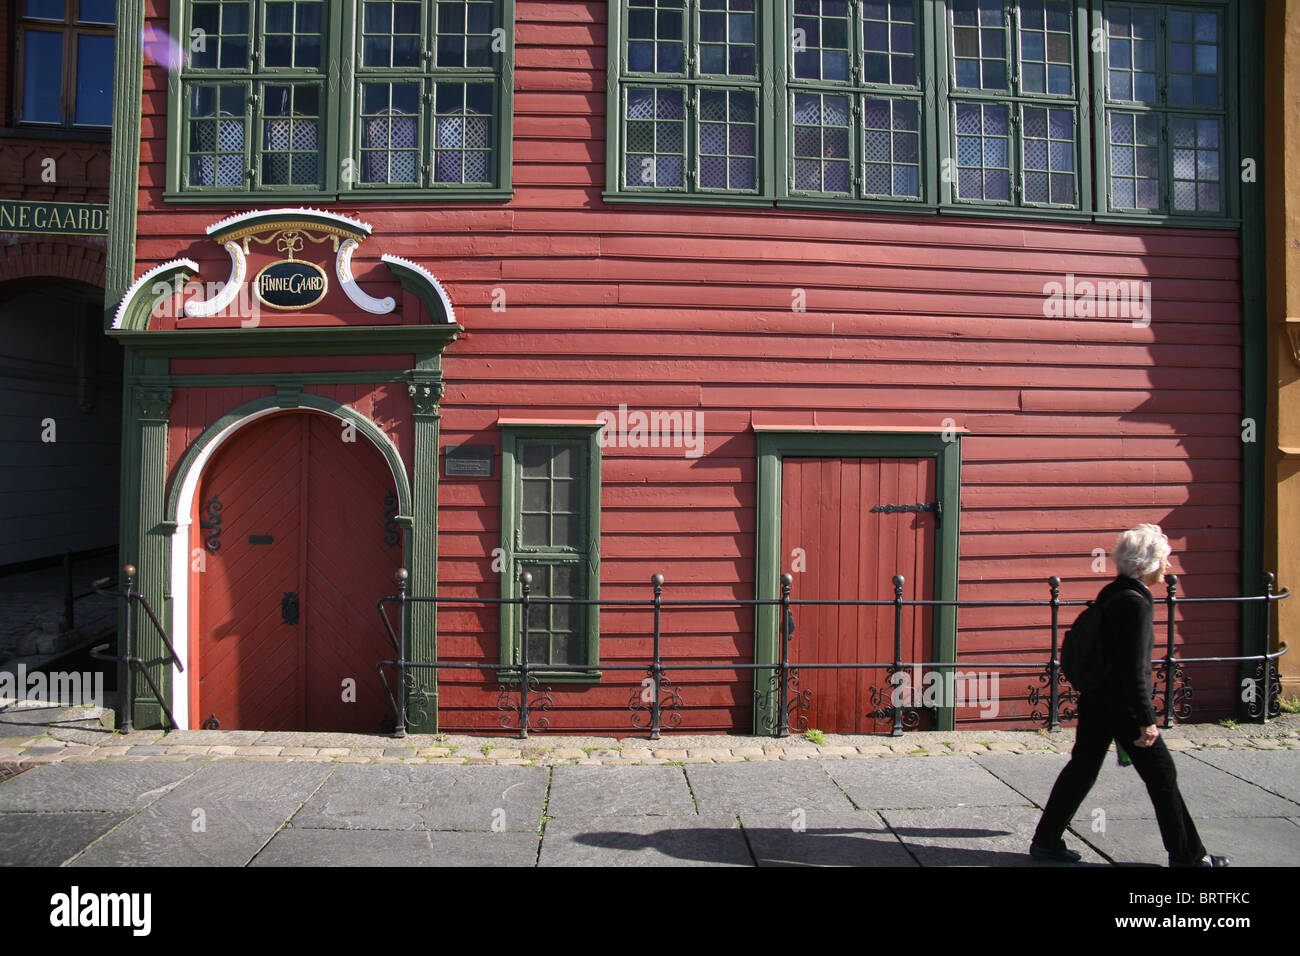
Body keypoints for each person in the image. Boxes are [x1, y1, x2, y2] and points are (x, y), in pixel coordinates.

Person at [1029, 524, 1229, 867]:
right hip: (1124, 708)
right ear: (1148, 563)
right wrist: (1147, 720)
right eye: (1165, 560)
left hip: (1096, 699)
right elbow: (1134, 669)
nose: (1168, 567)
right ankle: (1189, 858)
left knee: (1082, 769)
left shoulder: (1113, 593)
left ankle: (1046, 842)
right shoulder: (1136, 604)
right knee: (1162, 775)